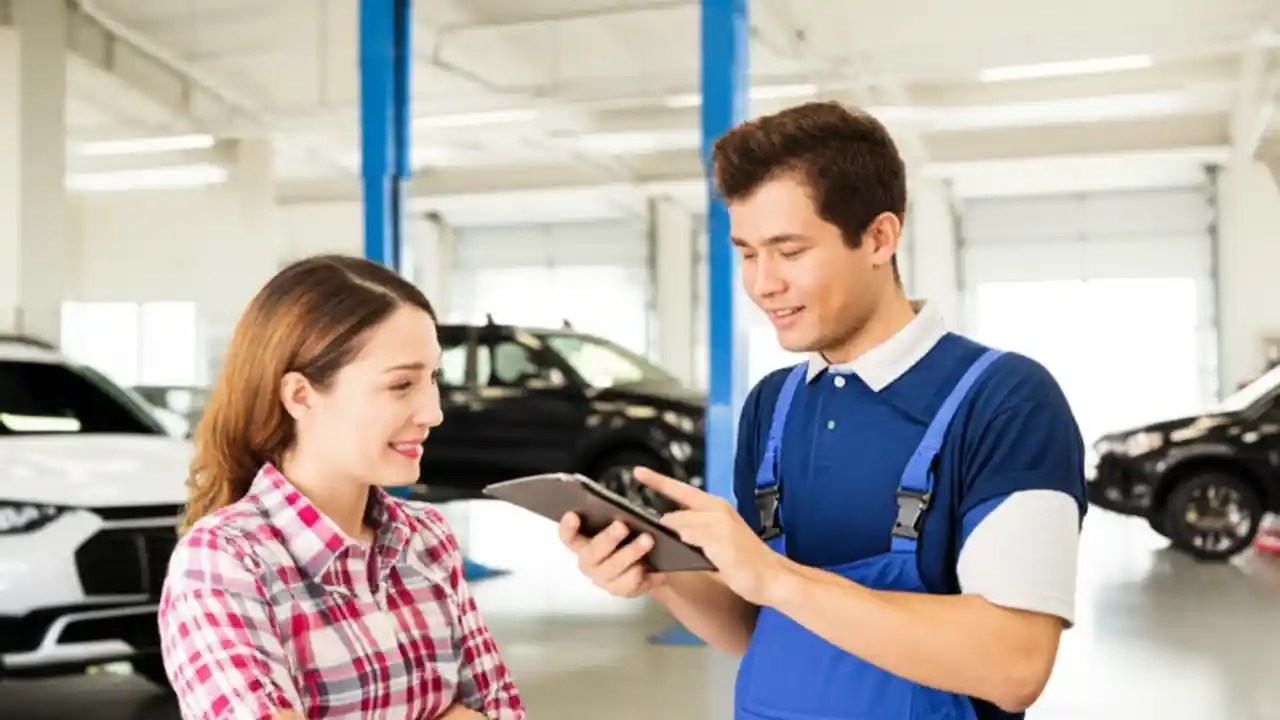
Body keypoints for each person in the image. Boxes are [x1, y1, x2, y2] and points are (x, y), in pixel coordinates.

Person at [559, 102, 1087, 720]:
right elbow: (762, 629)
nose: (762, 284)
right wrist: (662, 574)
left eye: (789, 250)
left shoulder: (1007, 402)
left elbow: (1014, 665)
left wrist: (778, 577)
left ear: (880, 238)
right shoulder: (773, 408)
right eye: (748, 252)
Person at [158, 255, 525, 720]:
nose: (433, 412)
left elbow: (502, 711)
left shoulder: (427, 540)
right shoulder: (222, 561)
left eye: (433, 378)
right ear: (300, 395)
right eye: (401, 385)